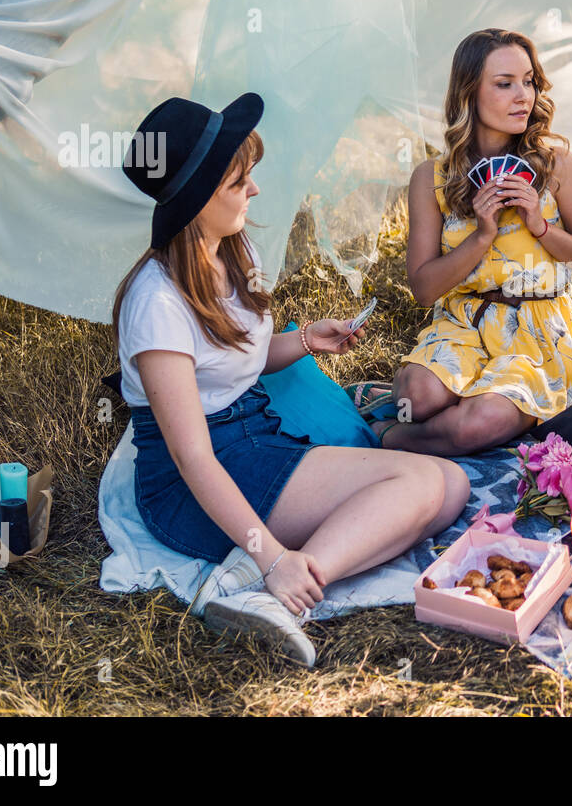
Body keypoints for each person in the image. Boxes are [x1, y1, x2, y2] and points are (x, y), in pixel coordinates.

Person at [113, 93, 469, 666]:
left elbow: (234, 364)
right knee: (423, 486)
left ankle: (287, 574)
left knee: (451, 486)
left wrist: (305, 343)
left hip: (252, 436)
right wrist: (271, 556)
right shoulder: (156, 302)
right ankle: (270, 589)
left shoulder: (229, 249)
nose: (253, 190)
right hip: (195, 482)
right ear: (197, 198)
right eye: (237, 182)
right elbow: (193, 458)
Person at [375, 29, 572, 456]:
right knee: (414, 399)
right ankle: (446, 415)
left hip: (538, 329)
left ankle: (389, 440)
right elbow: (424, 289)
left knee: (480, 422)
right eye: (504, 84)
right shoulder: (433, 178)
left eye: (529, 81)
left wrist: (541, 227)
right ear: (470, 93)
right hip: (465, 320)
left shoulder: (556, 164)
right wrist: (482, 235)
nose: (523, 95)